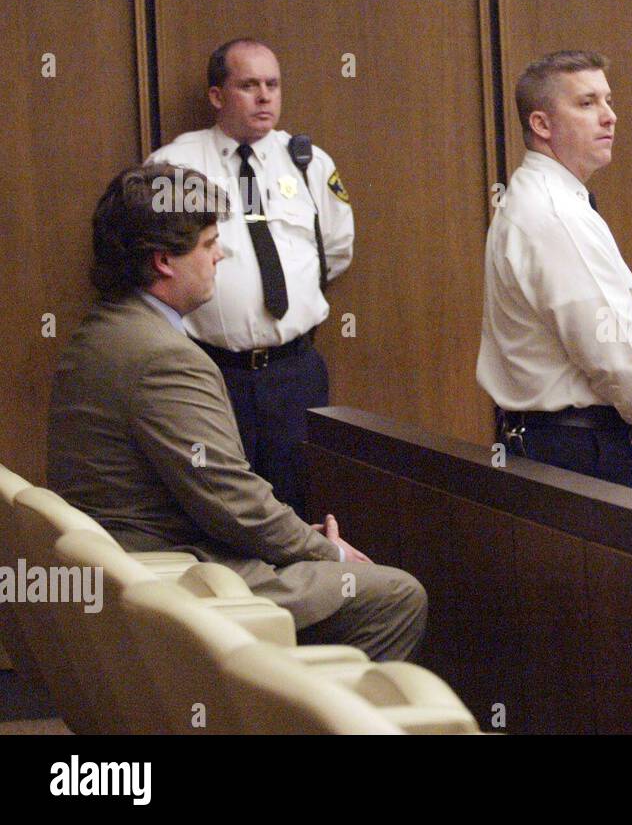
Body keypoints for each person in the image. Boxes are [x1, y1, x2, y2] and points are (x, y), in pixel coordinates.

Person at [47, 164, 424, 661]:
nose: (220, 254)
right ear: (164, 262)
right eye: (208, 244)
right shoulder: (164, 357)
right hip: (175, 580)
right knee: (394, 595)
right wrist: (327, 553)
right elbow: (234, 502)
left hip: (135, 566)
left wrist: (286, 539)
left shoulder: (98, 332)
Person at [146, 38, 354, 518]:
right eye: (248, 85)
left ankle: (307, 592)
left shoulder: (308, 162)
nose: (264, 97)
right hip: (214, 372)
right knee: (222, 507)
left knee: (301, 503)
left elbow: (336, 250)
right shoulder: (174, 167)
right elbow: (152, 270)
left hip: (295, 370)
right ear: (217, 96)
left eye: (272, 85)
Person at [477, 50, 632, 487]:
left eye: (608, 101)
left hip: (553, 440)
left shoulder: (542, 199)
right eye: (587, 103)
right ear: (541, 125)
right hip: (572, 449)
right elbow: (607, 347)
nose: (609, 116)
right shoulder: (555, 213)